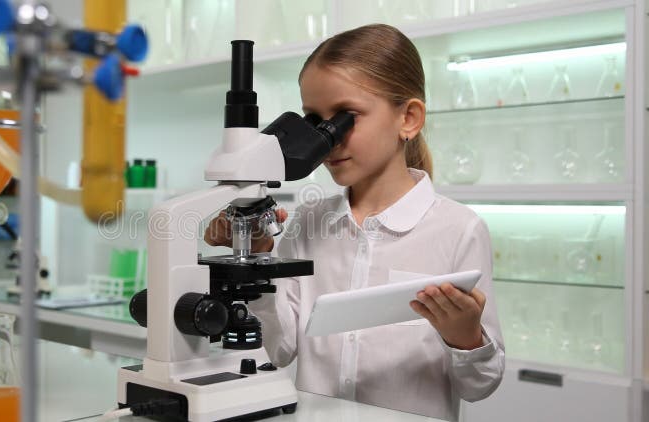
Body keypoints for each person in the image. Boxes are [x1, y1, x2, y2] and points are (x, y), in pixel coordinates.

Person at [205, 24, 504, 421]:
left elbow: (480, 385)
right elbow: (279, 350)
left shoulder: (458, 229)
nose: (328, 140)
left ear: (408, 118)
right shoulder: (309, 221)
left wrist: (466, 338)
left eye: (346, 118)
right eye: (314, 120)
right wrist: (259, 261)